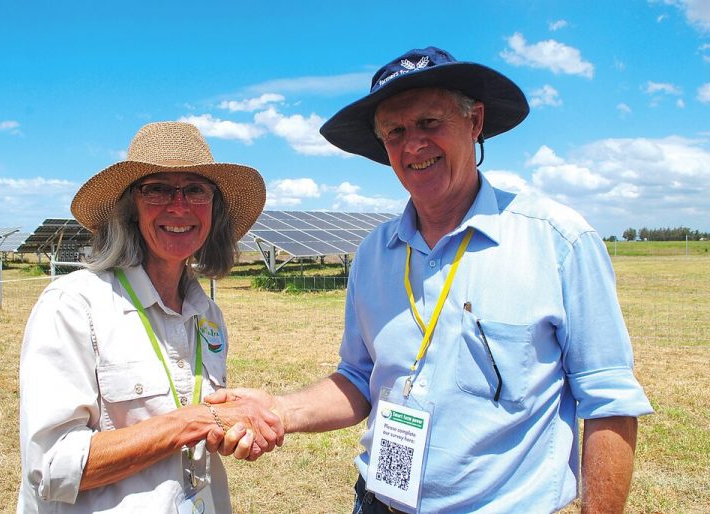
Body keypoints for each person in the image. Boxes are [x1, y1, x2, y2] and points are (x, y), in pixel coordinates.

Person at [207, 47, 653, 513]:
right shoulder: (373, 255)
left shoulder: (558, 242)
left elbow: (609, 403)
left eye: (429, 123)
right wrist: (279, 410)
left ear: (475, 122)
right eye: (395, 132)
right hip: (378, 503)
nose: (412, 145)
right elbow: (360, 379)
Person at [18, 121, 284, 513]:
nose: (179, 207)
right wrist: (198, 420)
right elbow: (52, 465)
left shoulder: (206, 313)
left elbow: (199, 423)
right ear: (130, 208)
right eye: (157, 189)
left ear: (214, 209)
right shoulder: (74, 304)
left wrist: (229, 428)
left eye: (196, 189)